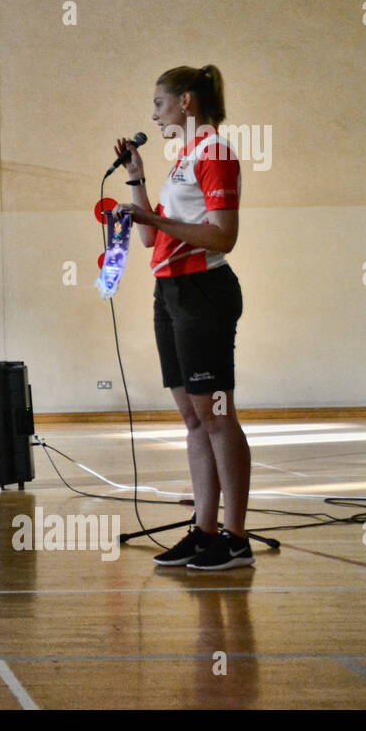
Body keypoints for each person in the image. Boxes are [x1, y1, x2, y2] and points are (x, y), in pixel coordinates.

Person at [114, 64, 253, 571]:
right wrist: (137, 180)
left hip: (204, 293)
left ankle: (235, 539)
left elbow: (222, 236)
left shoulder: (215, 152)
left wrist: (153, 217)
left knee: (217, 417)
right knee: (194, 419)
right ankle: (204, 529)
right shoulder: (183, 159)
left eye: (160, 103)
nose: (154, 113)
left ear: (187, 102)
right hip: (169, 293)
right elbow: (153, 238)